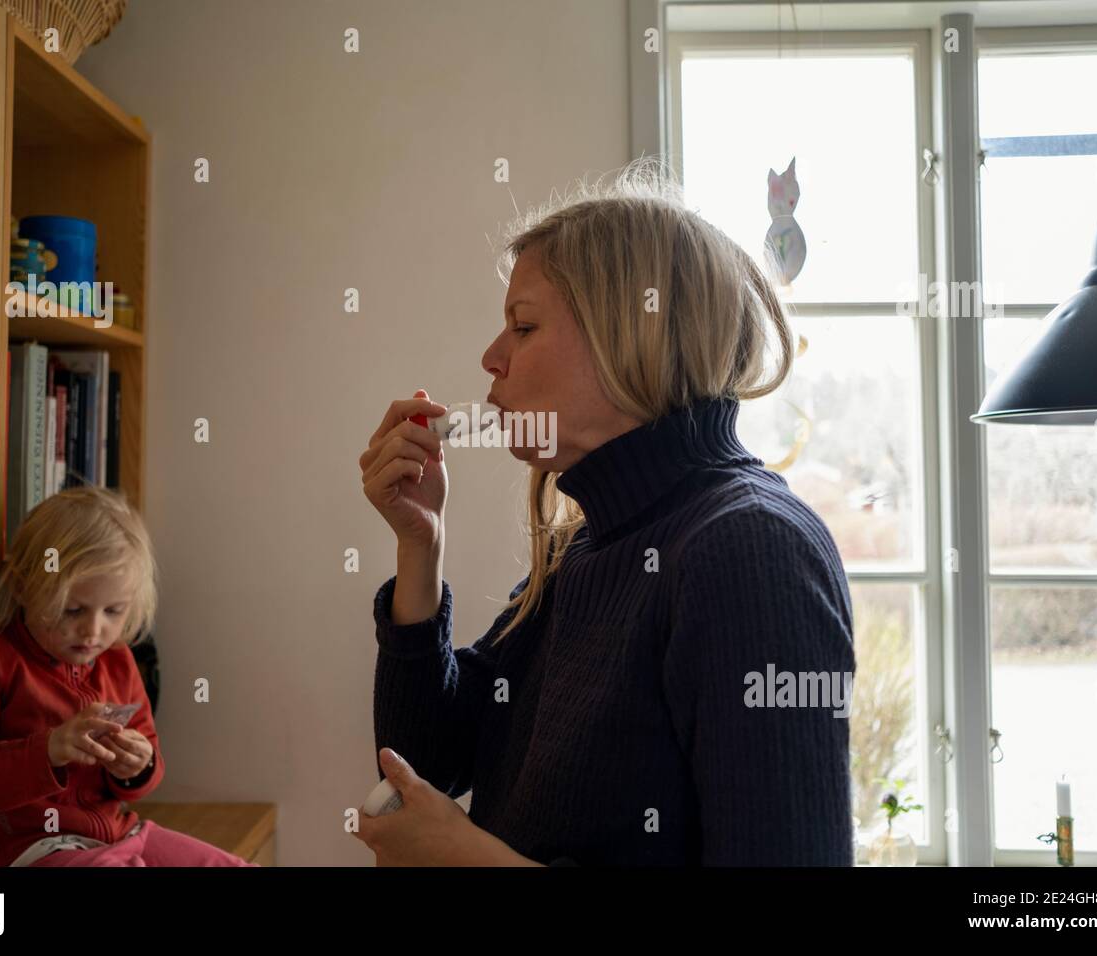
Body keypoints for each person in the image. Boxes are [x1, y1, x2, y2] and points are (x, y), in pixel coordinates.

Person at [354, 157, 856, 866]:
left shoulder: (749, 548)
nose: (491, 357)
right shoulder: (591, 545)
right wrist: (419, 545)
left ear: (630, 333)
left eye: (523, 327)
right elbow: (425, 761)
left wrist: (467, 859)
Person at [0, 485, 255, 867]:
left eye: (113, 611)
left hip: (115, 834)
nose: (93, 631)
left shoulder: (118, 661)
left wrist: (137, 766)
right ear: (24, 587)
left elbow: (146, 766)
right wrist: (47, 751)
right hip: (21, 850)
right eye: (72, 610)